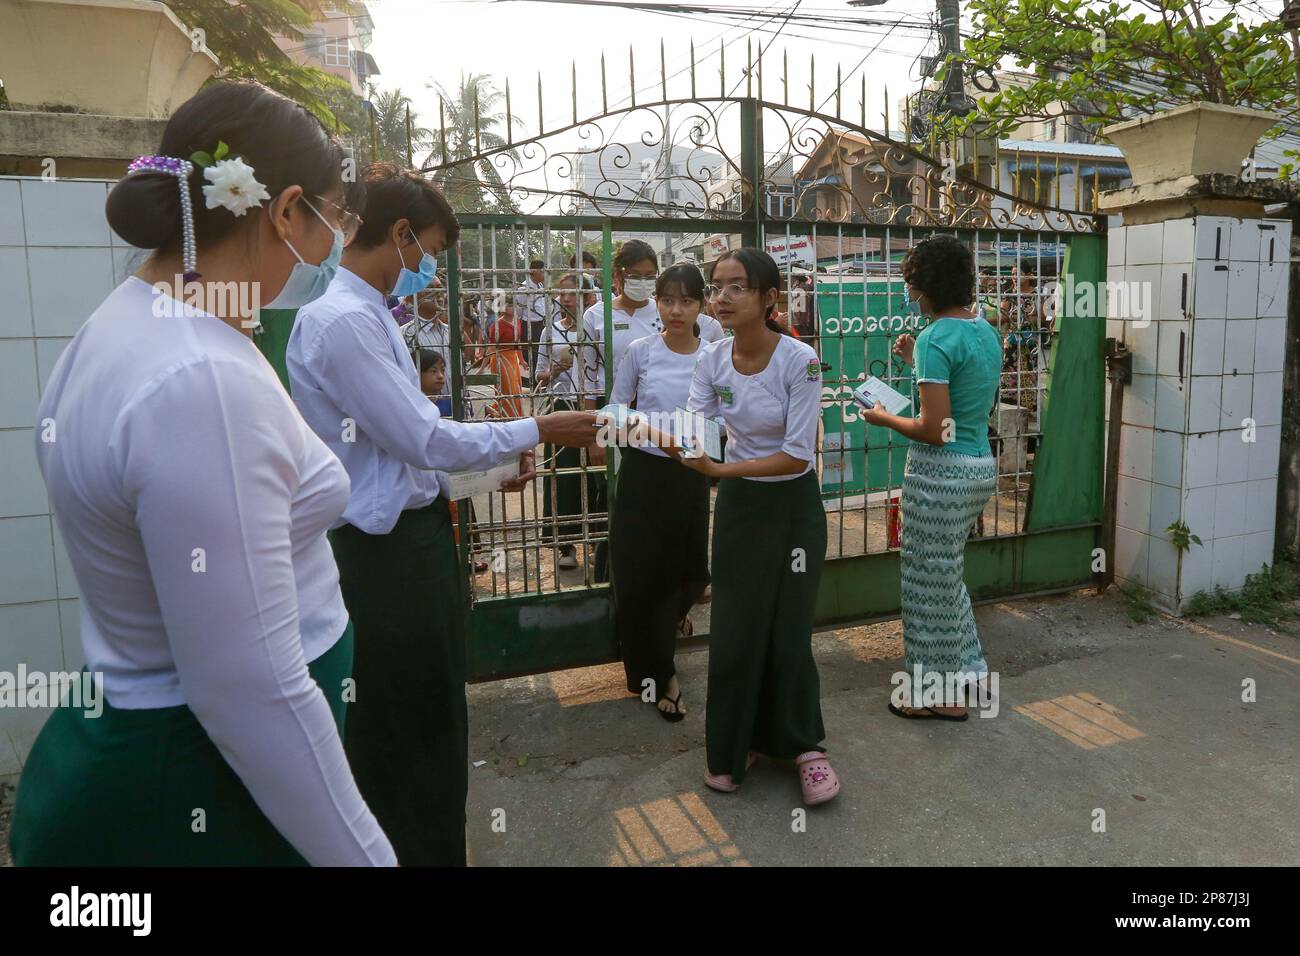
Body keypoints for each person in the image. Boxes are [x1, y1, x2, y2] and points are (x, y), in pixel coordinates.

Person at [10, 82, 394, 866]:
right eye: (332, 220)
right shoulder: (200, 380)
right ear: (284, 211)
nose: (330, 250)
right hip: (203, 790)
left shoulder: (132, 323)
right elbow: (251, 689)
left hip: (162, 754)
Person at [286, 163, 599, 866]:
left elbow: (398, 460)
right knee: (409, 727)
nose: (428, 268)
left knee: (429, 716)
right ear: (400, 235)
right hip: (386, 558)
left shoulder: (369, 314)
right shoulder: (344, 322)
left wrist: (489, 468)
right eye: (427, 250)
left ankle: (426, 846)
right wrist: (540, 431)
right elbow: (421, 440)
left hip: (408, 542)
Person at [678, 248, 839, 806]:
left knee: (789, 631)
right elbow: (695, 420)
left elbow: (797, 455)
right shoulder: (712, 360)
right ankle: (734, 744)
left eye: (736, 287)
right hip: (743, 509)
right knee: (736, 630)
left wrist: (718, 469)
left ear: (769, 299)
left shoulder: (802, 360)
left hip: (794, 506)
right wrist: (675, 440)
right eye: (716, 286)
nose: (721, 297)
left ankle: (804, 747)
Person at [860, 235, 1001, 720]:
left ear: (923, 287)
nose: (908, 294)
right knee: (947, 575)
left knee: (925, 583)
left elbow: (934, 430)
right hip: (979, 464)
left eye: (909, 285)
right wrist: (912, 362)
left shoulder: (935, 337)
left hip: (942, 474)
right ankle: (971, 673)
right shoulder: (985, 329)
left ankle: (934, 694)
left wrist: (883, 418)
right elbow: (964, 395)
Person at [609, 264, 712, 721]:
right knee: (642, 577)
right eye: (667, 300)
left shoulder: (714, 356)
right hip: (644, 477)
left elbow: (723, 419)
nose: (675, 310)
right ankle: (658, 674)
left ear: (701, 306)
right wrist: (652, 434)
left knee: (691, 574)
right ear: (656, 301)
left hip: (691, 474)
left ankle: (671, 621)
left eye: (686, 301)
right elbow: (614, 413)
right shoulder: (640, 351)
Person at [536, 272, 598, 570]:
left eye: (572, 293)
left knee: (597, 476)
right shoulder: (551, 332)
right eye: (562, 294)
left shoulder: (596, 326)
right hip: (562, 406)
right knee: (563, 476)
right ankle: (565, 545)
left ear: (587, 296)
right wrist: (555, 370)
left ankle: (600, 538)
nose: (566, 298)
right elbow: (538, 374)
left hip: (595, 405)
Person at [484, 296, 525, 418]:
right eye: (509, 306)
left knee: (516, 390)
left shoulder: (517, 321)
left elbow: (517, 343)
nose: (513, 308)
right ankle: (506, 416)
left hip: (513, 359)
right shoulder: (498, 325)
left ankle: (507, 413)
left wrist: (522, 360)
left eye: (514, 305)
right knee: (507, 391)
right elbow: (491, 346)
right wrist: (482, 365)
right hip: (500, 359)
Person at [515, 258, 555, 379]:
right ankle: (531, 379)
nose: (544, 274)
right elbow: (519, 310)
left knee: (541, 352)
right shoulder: (524, 288)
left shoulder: (542, 285)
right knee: (531, 353)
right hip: (529, 325)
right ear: (534, 272)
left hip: (541, 323)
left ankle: (538, 378)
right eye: (542, 271)